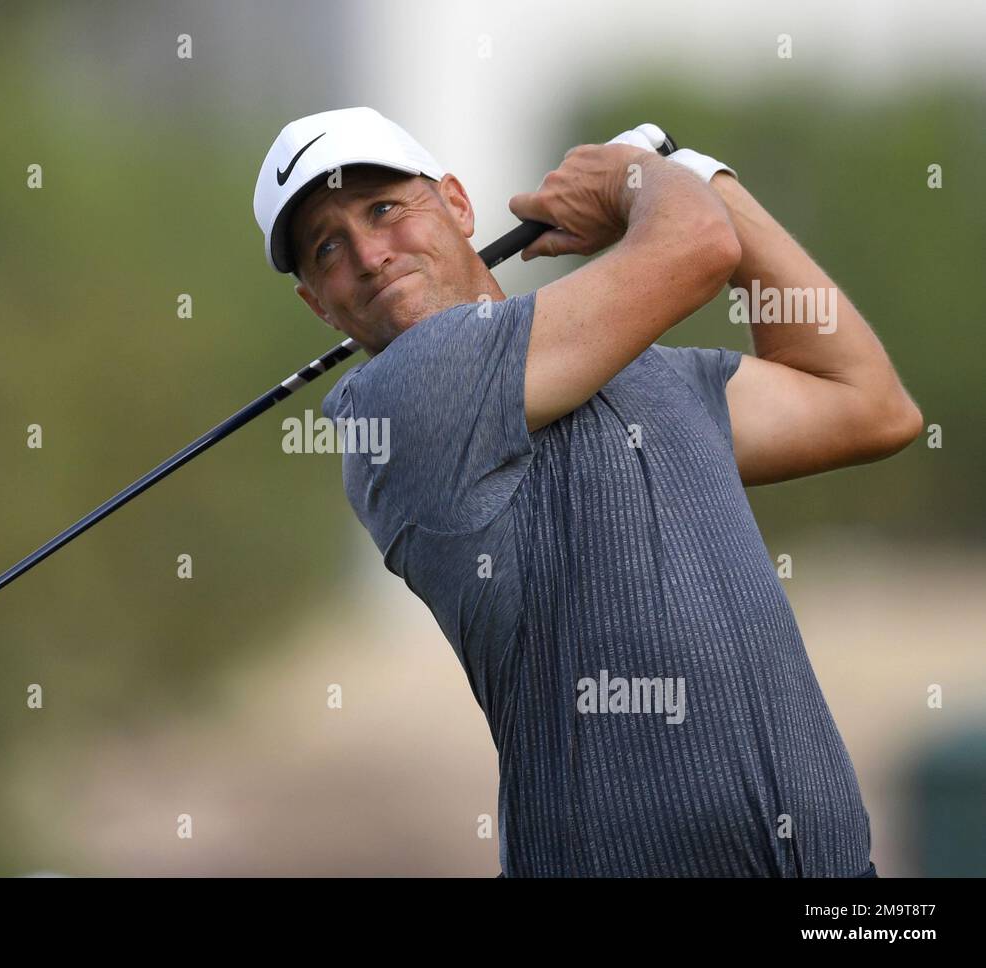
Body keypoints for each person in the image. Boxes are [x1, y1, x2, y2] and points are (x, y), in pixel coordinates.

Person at [252, 106, 920, 876]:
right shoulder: (398, 404)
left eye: (383, 208)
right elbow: (698, 246)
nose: (369, 254)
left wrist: (704, 176)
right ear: (317, 303)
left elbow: (868, 404)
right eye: (328, 247)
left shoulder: (658, 377)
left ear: (459, 207)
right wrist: (639, 178)